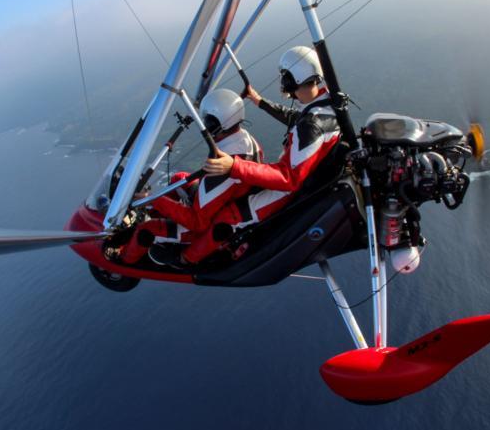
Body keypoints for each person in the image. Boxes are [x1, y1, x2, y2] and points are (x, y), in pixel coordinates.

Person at [149, 46, 341, 267]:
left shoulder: (311, 125)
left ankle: (185, 259)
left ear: (291, 80)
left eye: (285, 79)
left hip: (288, 192)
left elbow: (290, 178)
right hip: (304, 180)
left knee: (228, 217)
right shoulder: (325, 105)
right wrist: (259, 101)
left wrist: (234, 165)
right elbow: (296, 118)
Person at [115, 88, 262, 265]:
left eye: (207, 121)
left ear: (215, 124)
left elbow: (197, 222)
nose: (205, 126)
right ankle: (151, 214)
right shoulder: (246, 139)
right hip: (225, 199)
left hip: (208, 221)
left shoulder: (220, 171)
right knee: (179, 178)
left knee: (146, 230)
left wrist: (154, 199)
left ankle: (123, 260)